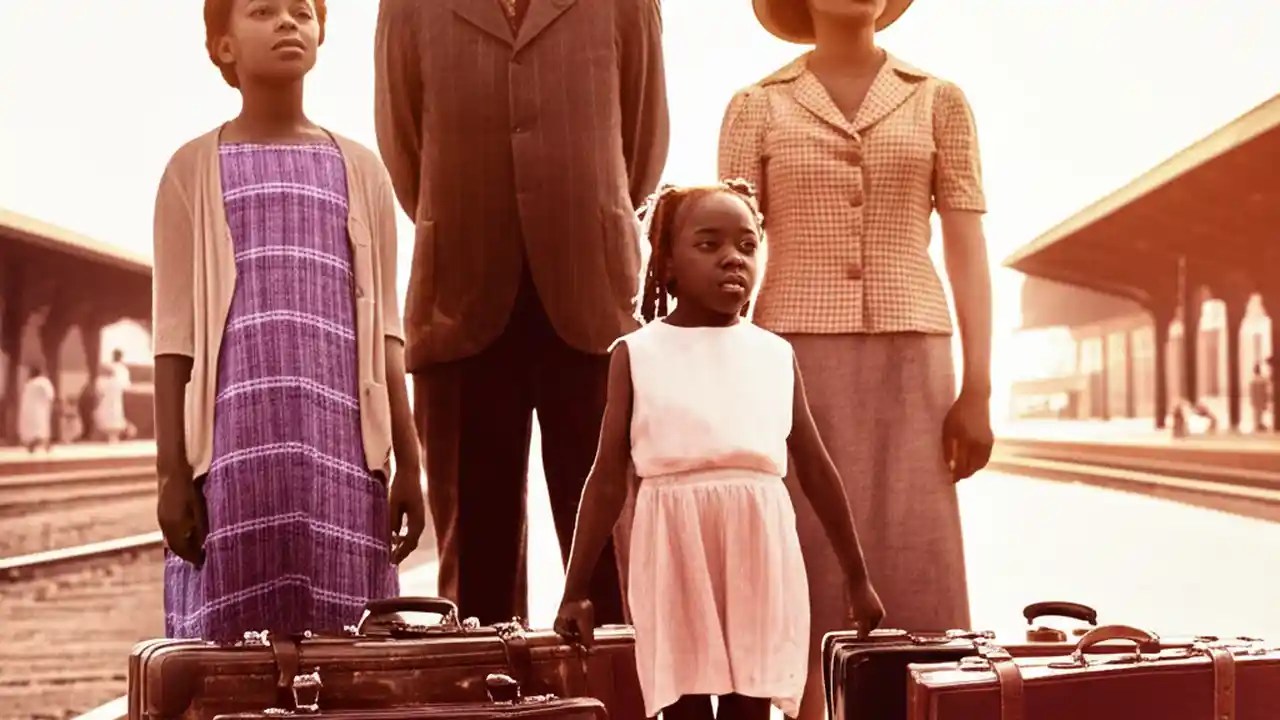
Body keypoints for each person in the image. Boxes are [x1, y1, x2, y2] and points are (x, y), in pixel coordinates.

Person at [719, 1, 994, 717]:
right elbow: (730, 252)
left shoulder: (940, 100)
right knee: (803, 554)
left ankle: (927, 703)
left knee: (916, 554)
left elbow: (966, 249)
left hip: (916, 357)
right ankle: (809, 709)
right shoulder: (757, 106)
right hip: (792, 359)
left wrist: (980, 387)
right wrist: (726, 377)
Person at [373, 0, 669, 625]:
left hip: (590, 300)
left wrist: (585, 214)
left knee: (610, 570)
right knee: (476, 574)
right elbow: (404, 148)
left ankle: (609, 704)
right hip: (462, 301)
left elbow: (640, 146)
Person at [554, 181, 884, 720]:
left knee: (749, 708)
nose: (733, 258)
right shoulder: (638, 354)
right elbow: (607, 479)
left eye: (747, 246)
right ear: (666, 263)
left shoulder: (774, 355)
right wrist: (575, 589)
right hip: (673, 551)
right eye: (709, 245)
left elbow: (817, 470)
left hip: (759, 548)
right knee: (683, 706)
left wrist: (857, 576)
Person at [151, 0, 424, 642]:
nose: (287, 23)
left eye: (302, 11)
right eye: (262, 11)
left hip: (343, 462)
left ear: (321, 33)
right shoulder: (190, 171)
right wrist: (171, 475)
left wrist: (408, 465)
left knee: (346, 647)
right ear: (222, 47)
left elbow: (386, 334)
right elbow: (174, 341)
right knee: (233, 652)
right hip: (234, 462)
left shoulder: (363, 170)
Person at [18, 366, 55, 453]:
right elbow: (50, 395)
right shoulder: (44, 382)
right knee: (42, 428)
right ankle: (46, 446)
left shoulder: (29, 384)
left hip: (30, 411)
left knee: (33, 430)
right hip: (41, 410)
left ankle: (32, 445)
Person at [93, 363, 128, 443]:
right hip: (115, 404)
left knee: (106, 420)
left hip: (105, 404)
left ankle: (111, 439)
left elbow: (98, 394)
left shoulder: (101, 382)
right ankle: (113, 439)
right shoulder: (117, 382)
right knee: (114, 420)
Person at [1250, 362, 1270, 432]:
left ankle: (1258, 425)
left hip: (1256, 399)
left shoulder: (1253, 380)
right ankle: (1259, 424)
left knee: (1257, 413)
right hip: (1260, 399)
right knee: (1260, 413)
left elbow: (1252, 392)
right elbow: (1265, 391)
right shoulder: (1262, 379)